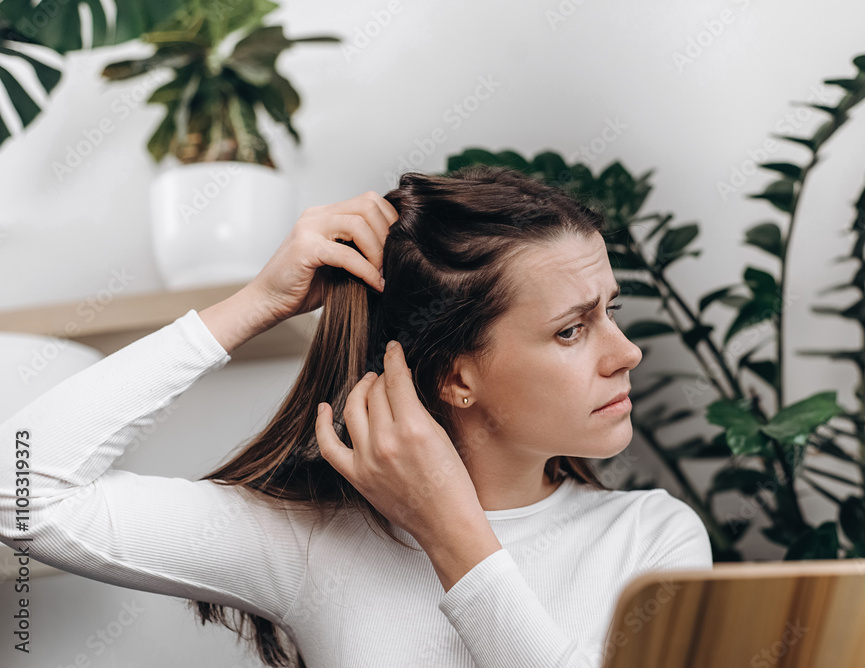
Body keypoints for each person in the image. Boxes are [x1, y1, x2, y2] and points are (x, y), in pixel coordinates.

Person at [0, 165, 712, 668]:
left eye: (609, 312)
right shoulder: (312, 540)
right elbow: (21, 492)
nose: (628, 353)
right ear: (457, 378)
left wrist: (452, 533)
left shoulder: (653, 540)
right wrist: (255, 303)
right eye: (572, 329)